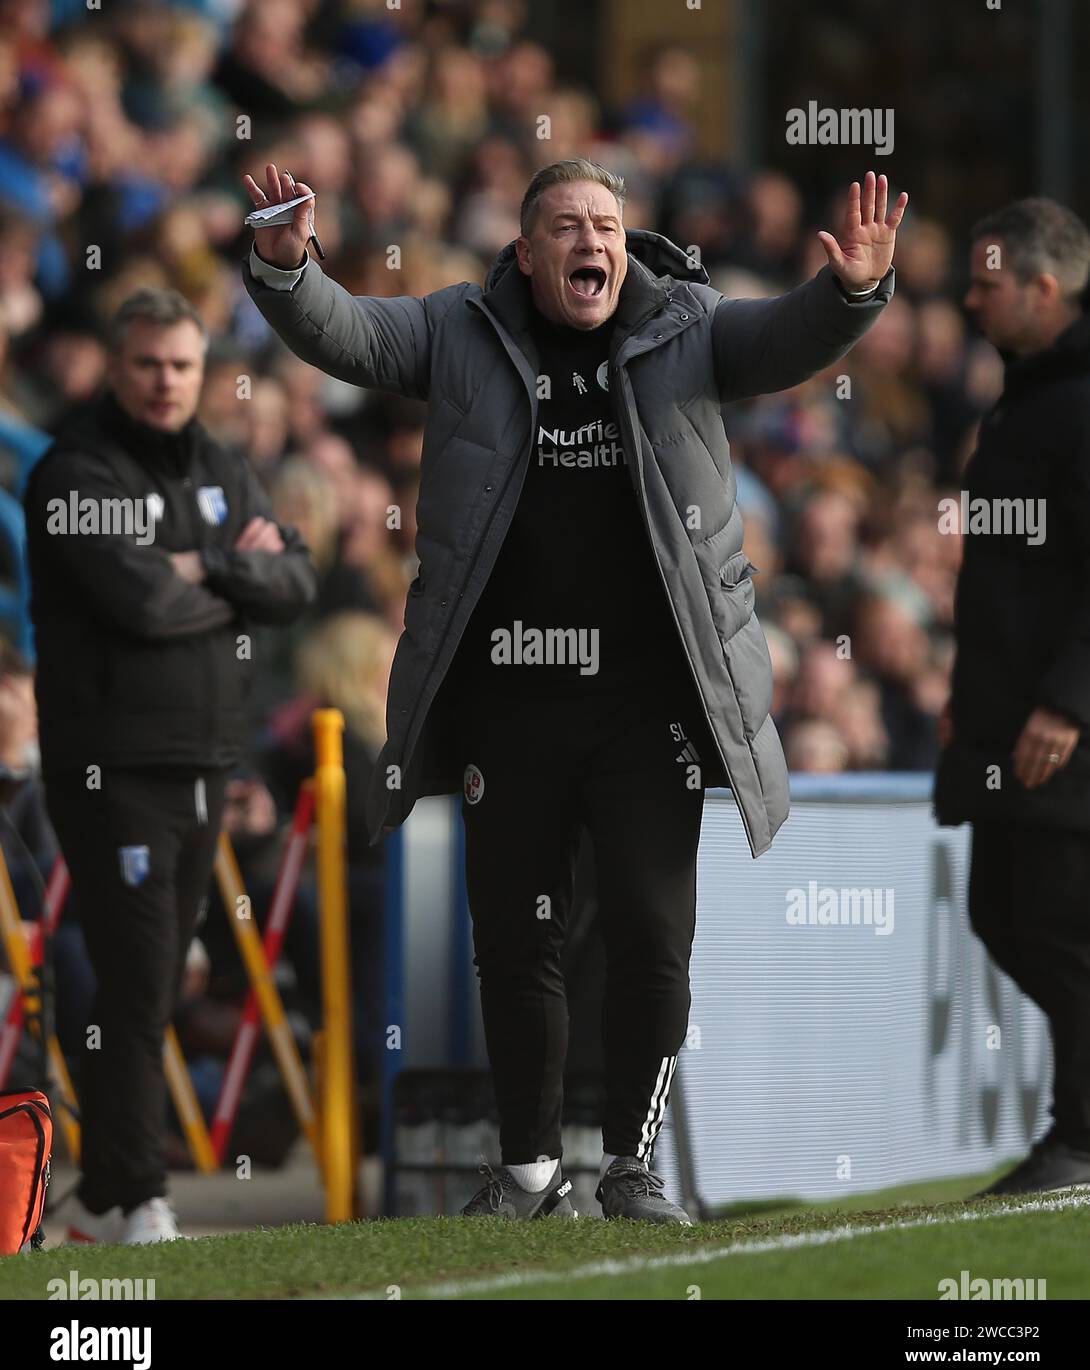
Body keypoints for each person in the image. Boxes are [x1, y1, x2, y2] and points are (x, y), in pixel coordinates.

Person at [243, 158, 904, 1222]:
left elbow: (782, 339)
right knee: (516, 938)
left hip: (648, 704)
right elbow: (352, 335)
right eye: (564, 226)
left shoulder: (686, 323)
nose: (588, 241)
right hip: (509, 700)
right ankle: (527, 1173)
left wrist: (850, 292)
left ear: (622, 241)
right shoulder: (462, 328)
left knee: (649, 931)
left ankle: (631, 1166)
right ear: (525, 250)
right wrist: (286, 267)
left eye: (603, 223)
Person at [23, 287, 317, 1243]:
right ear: (117, 365)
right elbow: (140, 606)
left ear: (202, 370)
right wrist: (227, 569)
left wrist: (197, 567)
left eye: (183, 366)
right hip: (112, 767)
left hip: (205, 763)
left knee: (146, 977)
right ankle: (141, 1195)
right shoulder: (74, 471)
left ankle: (109, 1195)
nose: (166, 382)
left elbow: (296, 581)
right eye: (148, 363)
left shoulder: (225, 464)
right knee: (143, 972)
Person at [934, 198, 1090, 1196]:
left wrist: (1067, 700)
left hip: (1057, 729)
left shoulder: (1075, 399)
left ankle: (1077, 1138)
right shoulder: (1024, 396)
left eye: (988, 282)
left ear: (1044, 287)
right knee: (1006, 912)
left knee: (1048, 922)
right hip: (1008, 713)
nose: (970, 297)